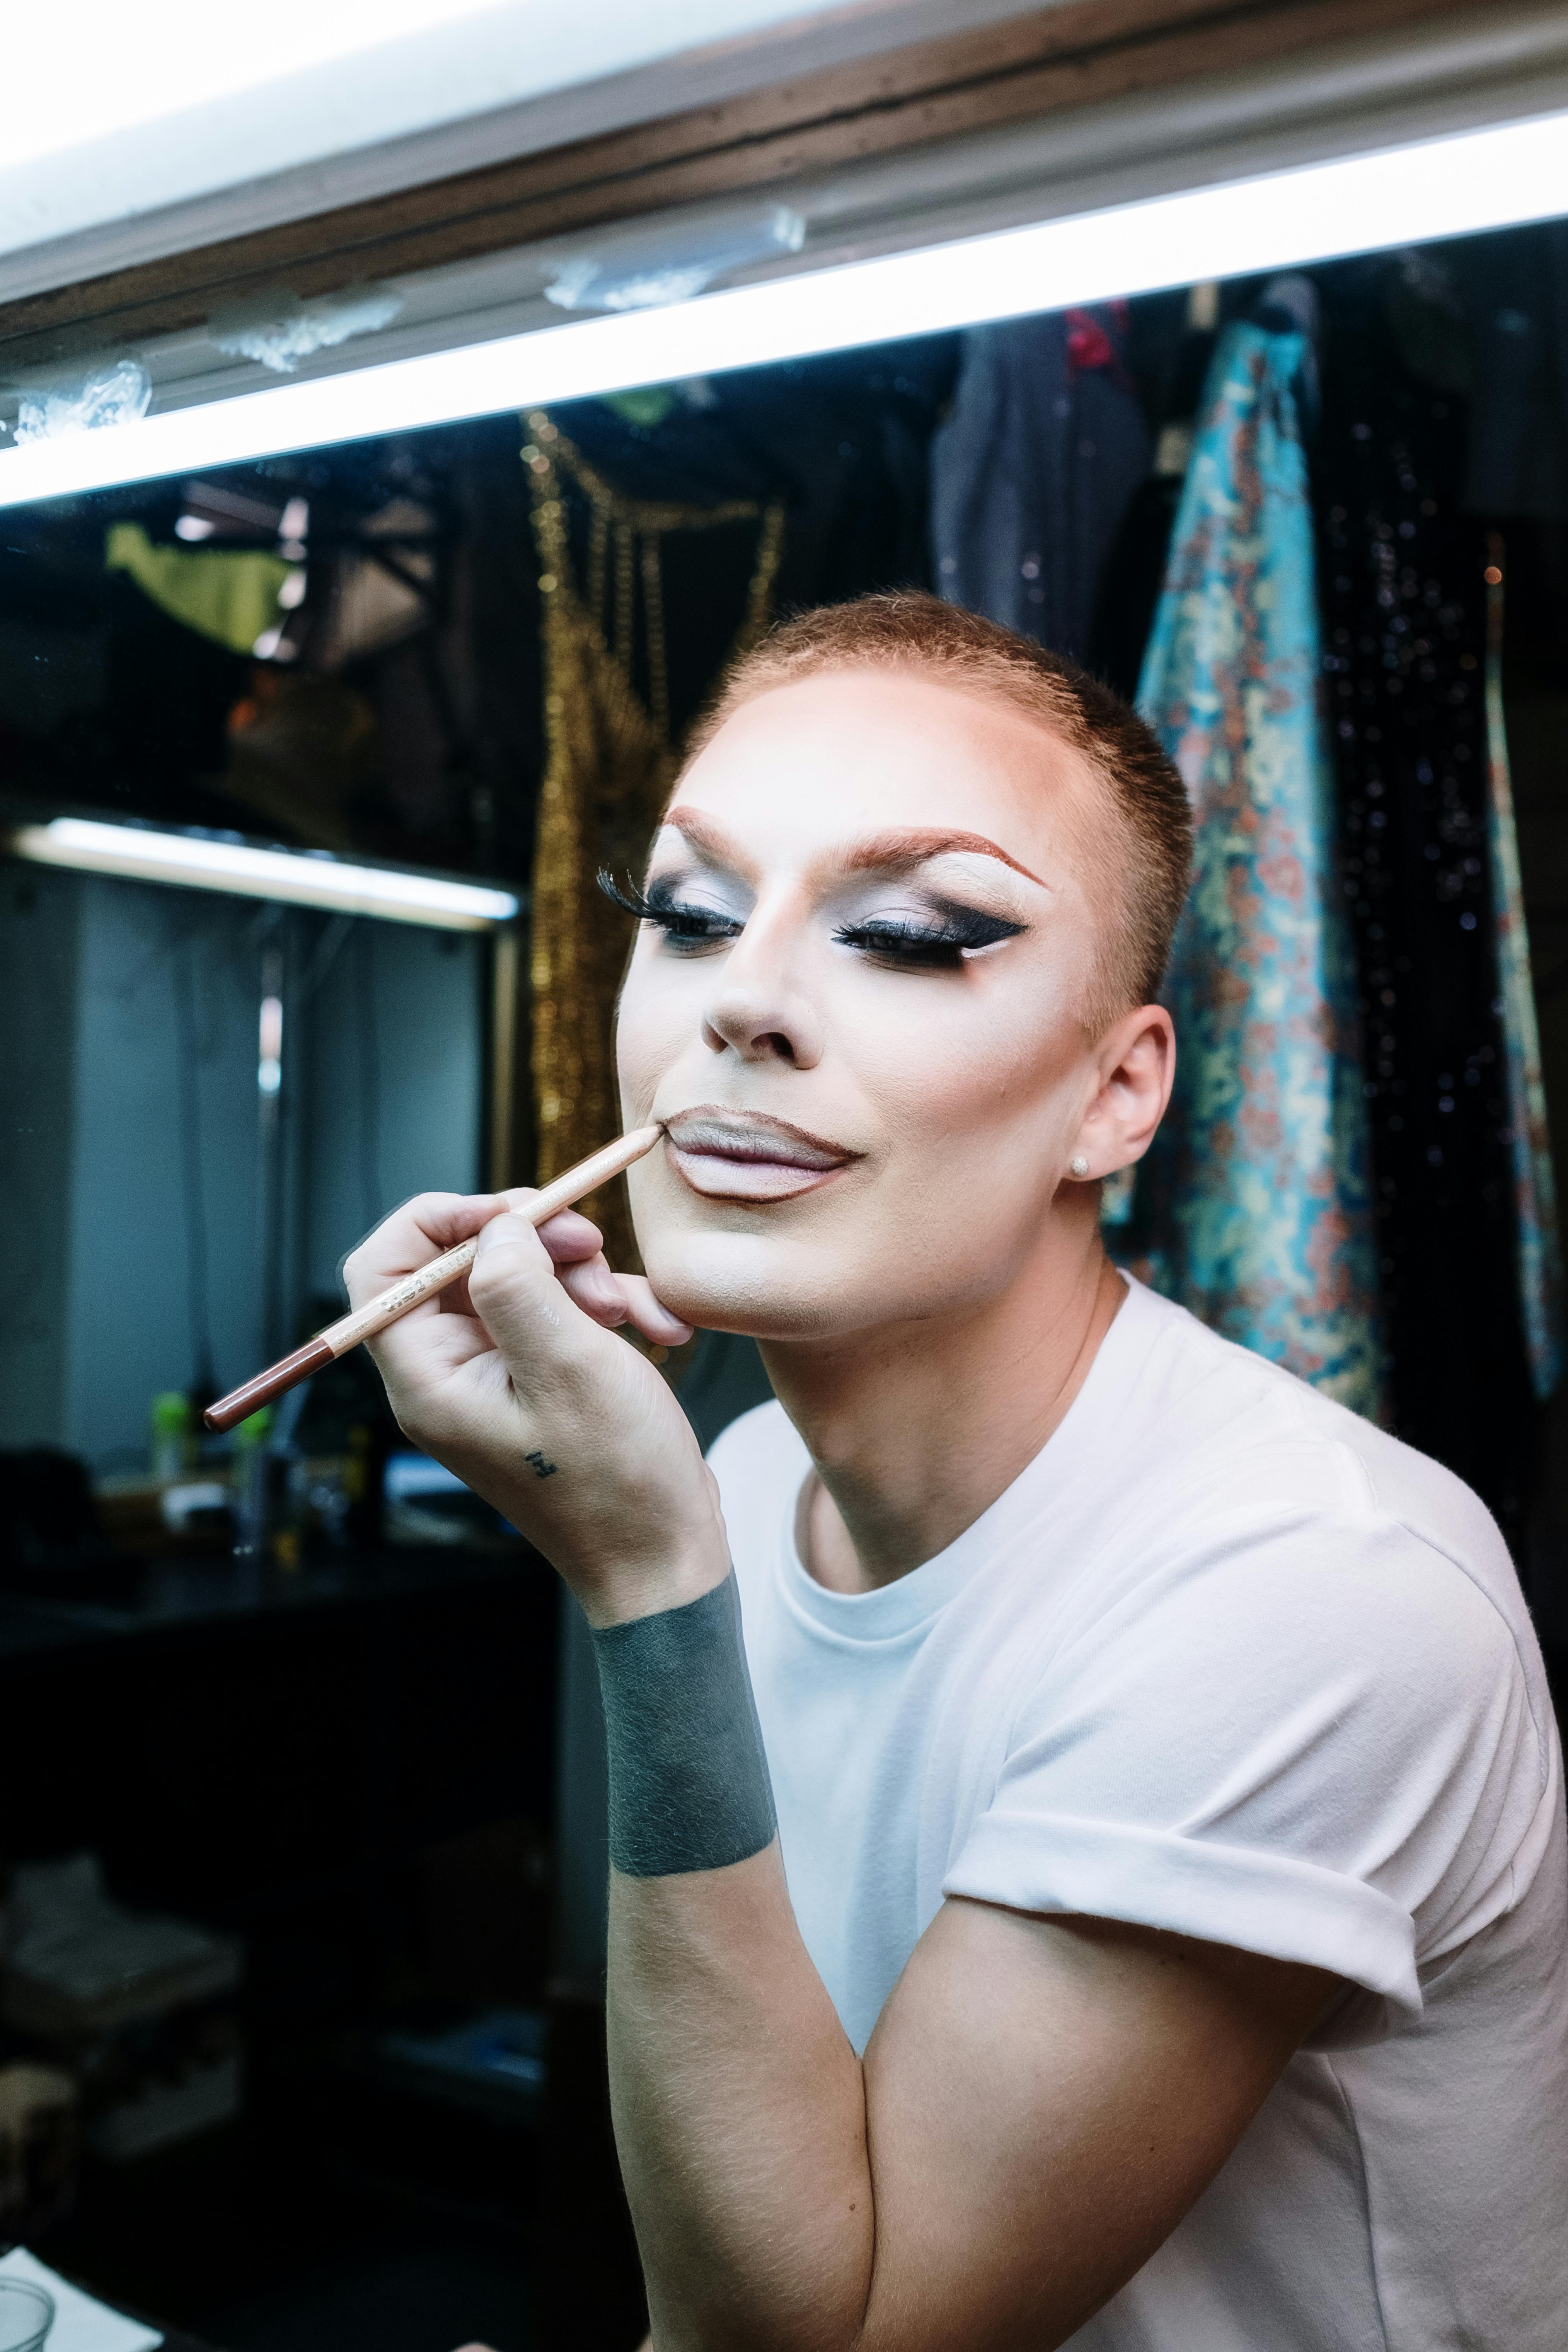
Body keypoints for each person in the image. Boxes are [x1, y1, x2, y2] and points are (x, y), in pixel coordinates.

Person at [353, 595, 1568, 2352]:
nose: (743, 1002)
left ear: (1115, 1097)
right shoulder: (745, 1480)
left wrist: (645, 1587)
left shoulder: (1315, 1588)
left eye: (911, 936)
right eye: (689, 915)